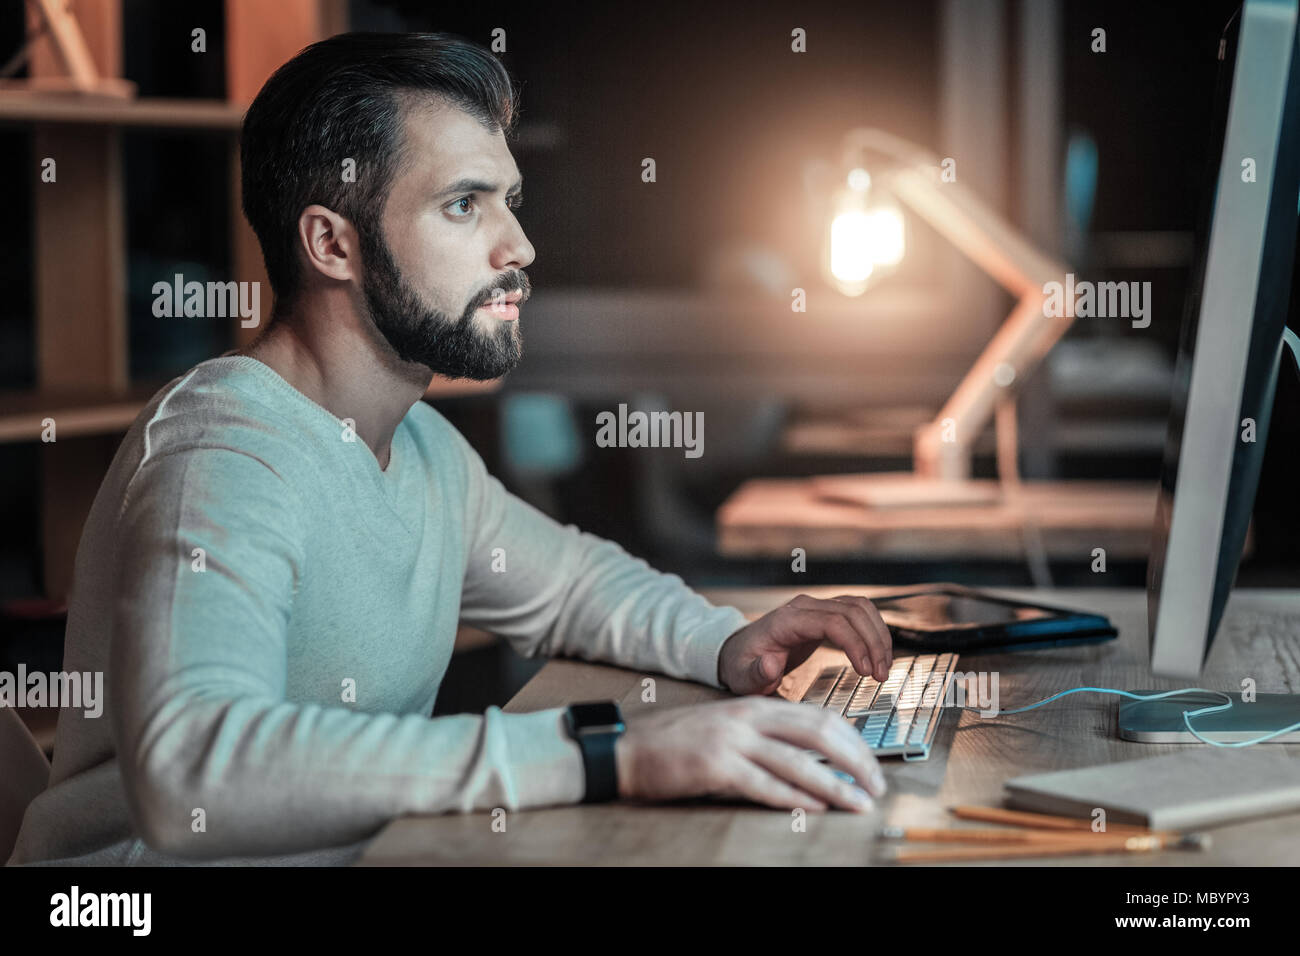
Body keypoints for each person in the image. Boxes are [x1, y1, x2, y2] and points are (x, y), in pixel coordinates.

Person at [7, 32, 891, 867]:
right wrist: (610, 752)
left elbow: (573, 587)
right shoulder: (223, 455)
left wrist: (729, 641)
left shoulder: (420, 445)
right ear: (331, 244)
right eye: (464, 204)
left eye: (510, 200)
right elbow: (191, 769)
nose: (520, 247)